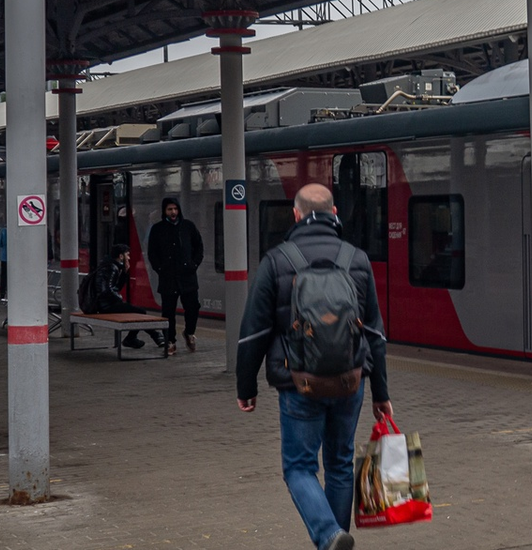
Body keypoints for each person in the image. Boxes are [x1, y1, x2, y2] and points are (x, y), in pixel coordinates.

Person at [236, 183, 391, 550]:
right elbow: (375, 334)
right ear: (334, 214)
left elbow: (252, 333)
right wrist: (381, 394)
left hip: (299, 384)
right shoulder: (356, 259)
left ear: (296, 215)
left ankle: (329, 535)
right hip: (350, 381)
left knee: (300, 468)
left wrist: (247, 387)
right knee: (339, 464)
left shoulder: (277, 261)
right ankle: (336, 539)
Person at [146, 197, 203, 356]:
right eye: (170, 209)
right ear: (164, 211)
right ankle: (170, 341)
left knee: (193, 307)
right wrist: (160, 269)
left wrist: (194, 264)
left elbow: (199, 246)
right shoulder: (158, 229)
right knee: (168, 311)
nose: (173, 212)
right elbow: (152, 253)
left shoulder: (188, 226)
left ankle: (189, 332)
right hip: (168, 277)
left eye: (175, 209)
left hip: (188, 276)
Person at [87, 243, 165, 349]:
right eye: (127, 255)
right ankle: (148, 336)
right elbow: (106, 290)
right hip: (106, 306)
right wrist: (119, 299)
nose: (129, 257)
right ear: (121, 256)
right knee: (140, 312)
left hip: (105, 305)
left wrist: (124, 272)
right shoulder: (111, 268)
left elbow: (116, 288)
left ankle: (151, 336)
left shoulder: (111, 266)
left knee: (138, 312)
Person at [0, 223, 8, 302]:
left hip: (4, 257)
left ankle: (2, 294)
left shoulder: (3, 230)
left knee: (4, 276)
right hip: (15, 258)